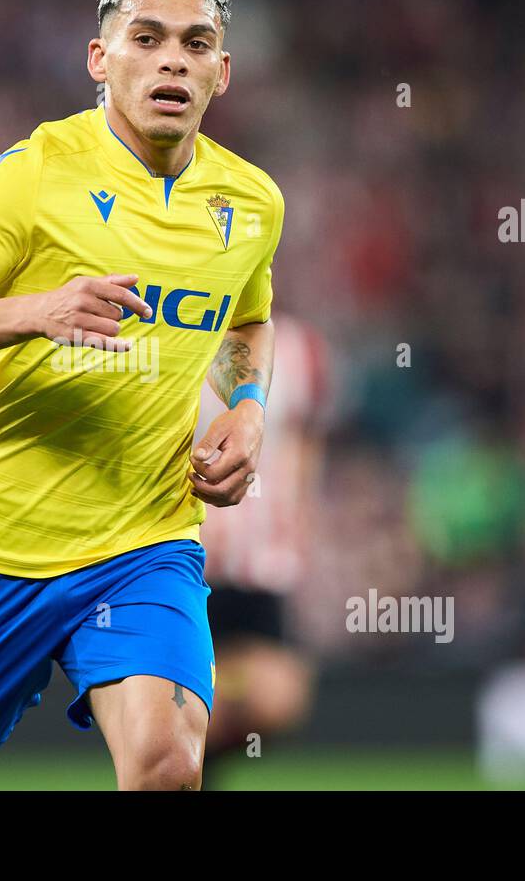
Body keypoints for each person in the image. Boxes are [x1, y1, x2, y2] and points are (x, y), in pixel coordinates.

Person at [0, 0, 284, 790]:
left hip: (145, 538)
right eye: (148, 38)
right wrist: (36, 310)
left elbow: (248, 314)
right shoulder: (27, 178)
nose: (173, 59)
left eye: (196, 44)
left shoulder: (251, 204)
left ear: (221, 72)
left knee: (168, 766)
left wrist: (244, 403)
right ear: (102, 60)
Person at [196, 313, 327, 787]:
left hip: (261, 565)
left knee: (278, 699)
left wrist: (301, 521)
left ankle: (193, 763)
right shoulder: (173, 333)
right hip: (186, 554)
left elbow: (308, 441)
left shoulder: (298, 346)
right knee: (179, 704)